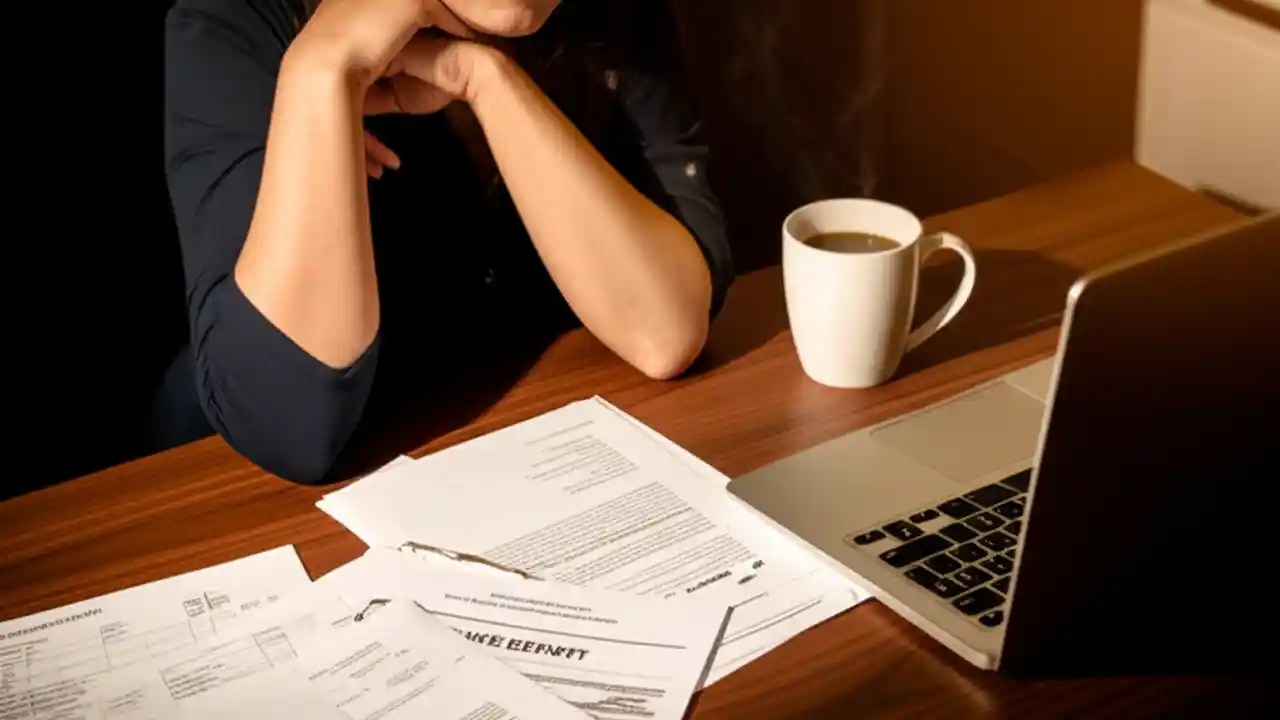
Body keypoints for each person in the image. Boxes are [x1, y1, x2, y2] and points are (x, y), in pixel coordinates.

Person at [155, 0, 733, 483]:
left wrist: (486, 80)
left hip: (517, 475)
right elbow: (286, 426)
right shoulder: (242, 18)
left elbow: (665, 330)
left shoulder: (608, 14)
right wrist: (323, 66)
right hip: (243, 516)